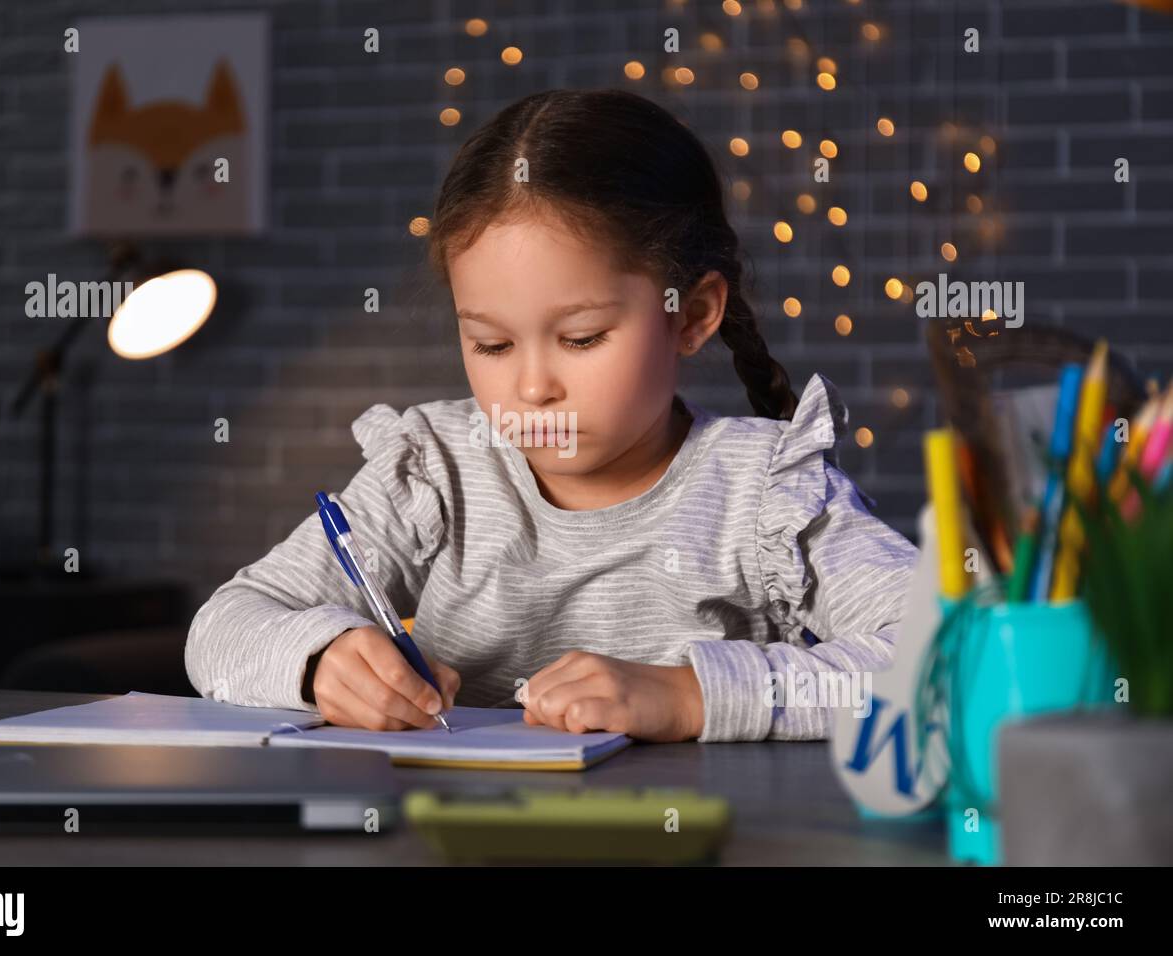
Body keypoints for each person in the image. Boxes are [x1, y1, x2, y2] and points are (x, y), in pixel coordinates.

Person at [185, 89, 917, 743]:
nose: (532, 388)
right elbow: (223, 627)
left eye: (582, 339)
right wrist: (320, 661)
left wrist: (691, 695)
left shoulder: (768, 494)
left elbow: (947, 659)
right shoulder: (438, 471)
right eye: (492, 343)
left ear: (690, 315)